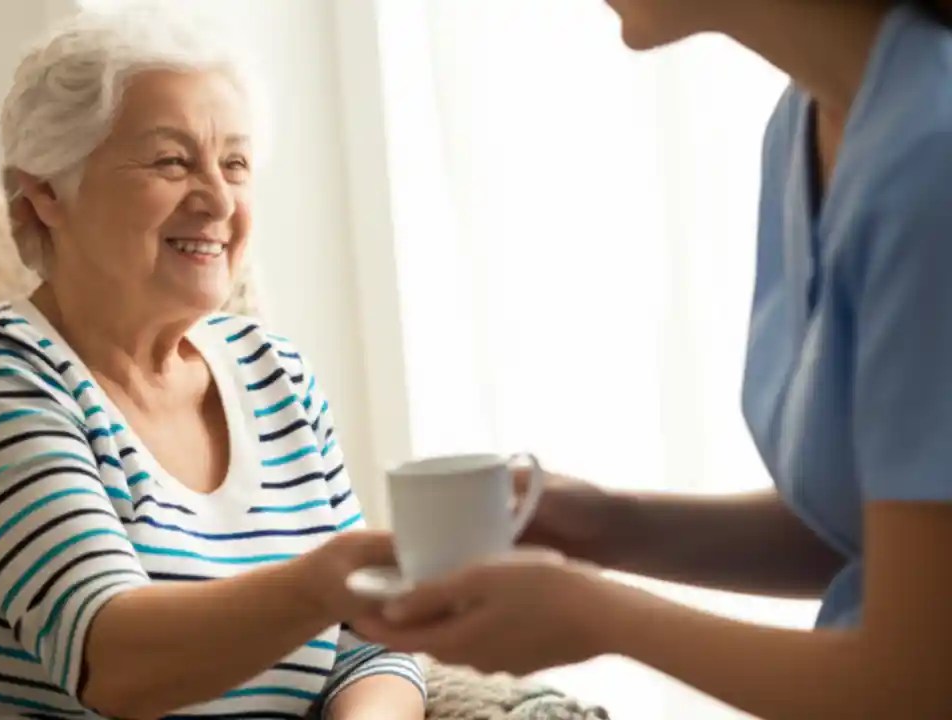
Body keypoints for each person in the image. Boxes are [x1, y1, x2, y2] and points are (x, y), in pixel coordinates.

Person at [356, 0, 952, 716]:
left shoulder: (931, 162)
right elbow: (878, 532)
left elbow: (914, 681)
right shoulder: (807, 123)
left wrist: (600, 617)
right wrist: (614, 527)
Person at [0, 5, 425, 719]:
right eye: (171, 161)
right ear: (45, 194)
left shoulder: (275, 375)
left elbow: (369, 645)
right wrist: (330, 581)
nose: (218, 199)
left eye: (236, 164)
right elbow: (115, 663)